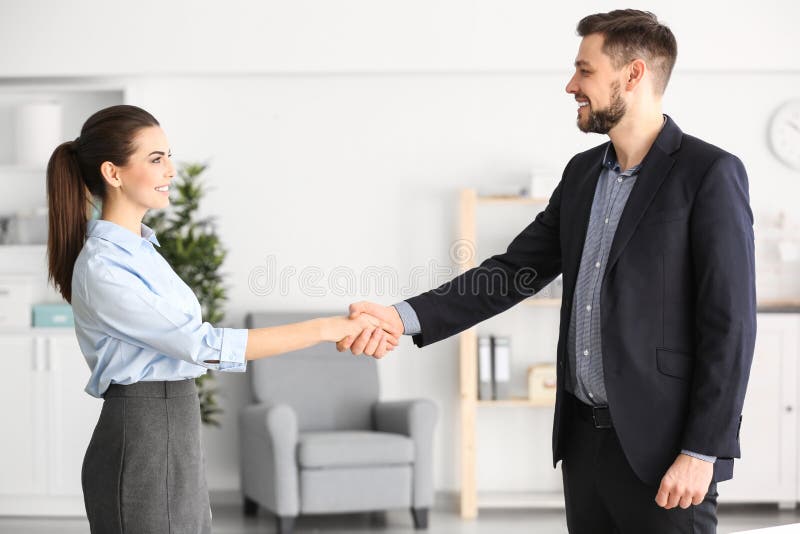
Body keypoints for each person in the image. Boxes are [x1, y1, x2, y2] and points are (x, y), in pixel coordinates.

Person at [339, 9, 756, 534]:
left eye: (584, 70)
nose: (570, 85)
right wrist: (402, 317)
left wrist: (703, 449)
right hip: (584, 447)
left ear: (632, 75)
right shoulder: (582, 174)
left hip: (666, 454)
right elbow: (514, 271)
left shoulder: (709, 173)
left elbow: (731, 325)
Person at [46, 104, 397, 534]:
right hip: (143, 435)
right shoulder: (104, 267)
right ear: (113, 173)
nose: (171, 170)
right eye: (156, 159)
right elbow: (201, 345)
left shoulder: (142, 252)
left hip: (174, 422)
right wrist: (324, 329)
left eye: (169, 155)